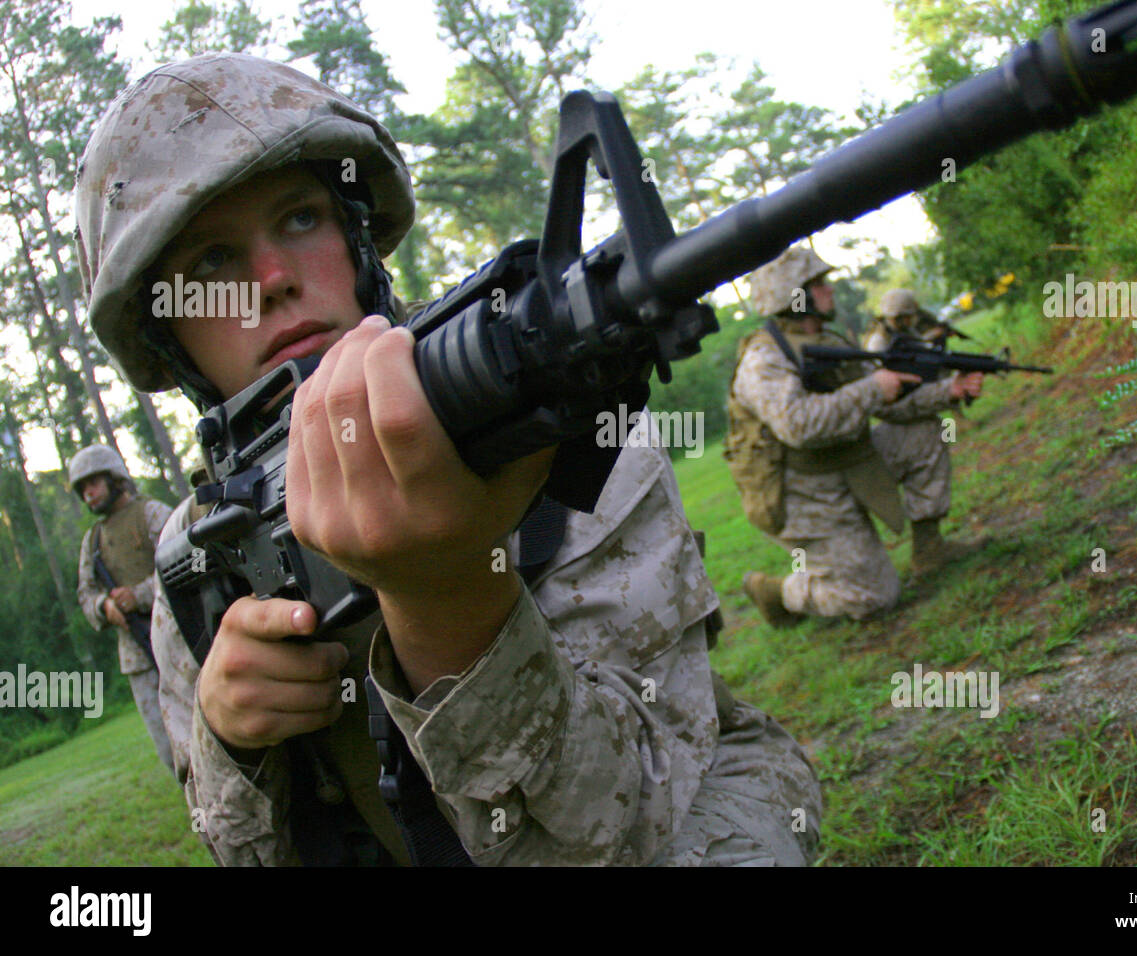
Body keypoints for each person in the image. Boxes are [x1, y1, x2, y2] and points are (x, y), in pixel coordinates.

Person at [74, 53, 820, 866]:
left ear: (357, 239)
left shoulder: (553, 428)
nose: (274, 280)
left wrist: (453, 602)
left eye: (298, 219)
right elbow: (243, 852)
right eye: (211, 263)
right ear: (166, 335)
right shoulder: (200, 558)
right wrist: (231, 740)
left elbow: (635, 819)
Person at [726, 248, 984, 628]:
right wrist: (871, 389)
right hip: (802, 493)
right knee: (875, 597)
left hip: (848, 461)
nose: (830, 290)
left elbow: (890, 402)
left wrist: (949, 392)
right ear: (795, 296)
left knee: (923, 432)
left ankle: (930, 551)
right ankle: (779, 592)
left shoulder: (830, 340)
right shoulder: (763, 359)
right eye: (819, 285)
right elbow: (798, 425)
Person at [72, 444, 175, 772]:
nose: (88, 493)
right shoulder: (92, 541)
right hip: (137, 657)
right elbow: (85, 594)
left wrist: (140, 594)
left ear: (114, 478)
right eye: (82, 489)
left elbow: (188, 562)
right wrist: (104, 607)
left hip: (180, 641)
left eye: (93, 483)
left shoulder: (153, 514)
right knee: (169, 750)